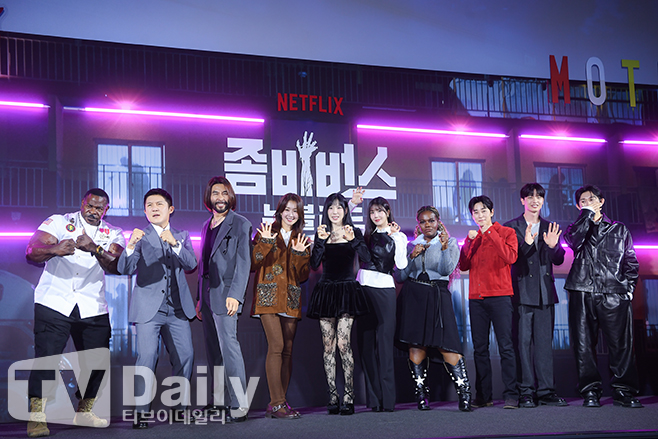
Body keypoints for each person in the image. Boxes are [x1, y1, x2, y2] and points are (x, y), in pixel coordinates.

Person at [25, 188, 125, 437]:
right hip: (54, 301)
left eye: (99, 208)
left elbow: (116, 266)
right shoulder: (59, 222)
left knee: (97, 360)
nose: (93, 211)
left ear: (106, 210)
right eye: (89, 206)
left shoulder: (113, 233)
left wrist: (94, 248)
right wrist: (55, 249)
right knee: (47, 358)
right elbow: (32, 250)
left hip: (92, 304)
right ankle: (37, 417)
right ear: (82, 203)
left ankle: (84, 411)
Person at [117, 188, 198, 428]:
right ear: (144, 211)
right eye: (149, 205)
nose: (154, 208)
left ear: (170, 209)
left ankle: (180, 409)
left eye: (159, 204)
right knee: (147, 357)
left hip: (177, 310)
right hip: (148, 309)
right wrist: (130, 245)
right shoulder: (139, 236)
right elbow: (124, 269)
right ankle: (141, 413)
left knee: (186, 356)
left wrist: (174, 243)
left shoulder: (181, 235)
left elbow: (191, 264)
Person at [564, 185, 642, 408]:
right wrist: (586, 216)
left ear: (601, 201)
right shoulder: (575, 228)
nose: (588, 202)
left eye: (592, 199)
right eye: (583, 201)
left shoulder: (620, 229)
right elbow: (573, 242)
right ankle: (590, 391)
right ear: (578, 206)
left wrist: (628, 289)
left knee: (621, 345)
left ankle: (624, 391)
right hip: (582, 290)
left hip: (614, 293)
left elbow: (631, 262)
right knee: (584, 345)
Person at [396, 206, 473, 412]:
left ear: (438, 221)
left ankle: (464, 393)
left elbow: (446, 269)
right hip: (413, 297)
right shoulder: (412, 245)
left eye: (431, 220)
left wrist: (445, 247)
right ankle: (421, 395)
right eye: (423, 221)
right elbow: (400, 277)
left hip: (438, 296)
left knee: (448, 347)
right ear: (418, 224)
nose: (427, 225)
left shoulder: (450, 242)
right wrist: (411, 257)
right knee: (416, 346)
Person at [504, 183, 567, 408]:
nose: (534, 200)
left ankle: (546, 391)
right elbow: (510, 259)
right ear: (522, 200)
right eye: (529, 197)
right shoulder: (511, 227)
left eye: (539, 196)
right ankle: (526, 391)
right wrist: (527, 244)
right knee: (522, 345)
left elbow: (558, 259)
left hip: (545, 293)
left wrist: (553, 247)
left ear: (543, 200)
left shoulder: (550, 226)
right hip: (521, 292)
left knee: (544, 345)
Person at [307, 192, 370, 416]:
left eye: (339, 207)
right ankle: (332, 395)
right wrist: (320, 242)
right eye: (331, 207)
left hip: (346, 291)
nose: (335, 211)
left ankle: (349, 396)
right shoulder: (321, 232)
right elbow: (314, 264)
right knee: (328, 346)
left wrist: (353, 240)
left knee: (344, 344)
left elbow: (367, 258)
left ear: (345, 210)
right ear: (326, 211)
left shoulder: (354, 231)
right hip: (326, 291)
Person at [195, 176, 252, 422]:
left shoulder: (241, 224)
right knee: (213, 351)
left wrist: (235, 296)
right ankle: (219, 401)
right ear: (209, 197)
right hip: (207, 293)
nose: (220, 198)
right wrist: (199, 298)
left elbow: (244, 263)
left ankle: (239, 404)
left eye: (224, 193)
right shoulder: (205, 226)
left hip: (227, 294)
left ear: (231, 196)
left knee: (229, 347)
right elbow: (203, 264)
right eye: (215, 193)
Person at [251, 193, 311, 419]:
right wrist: (265, 242)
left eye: (295, 211)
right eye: (287, 209)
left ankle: (278, 402)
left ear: (300, 215)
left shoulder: (301, 239)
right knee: (276, 346)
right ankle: (277, 404)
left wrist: (298, 255)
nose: (291, 214)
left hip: (291, 299)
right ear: (280, 211)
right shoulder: (266, 232)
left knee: (287, 350)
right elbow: (254, 262)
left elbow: (303, 276)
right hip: (268, 298)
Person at [459, 195, 518, 409]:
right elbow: (463, 265)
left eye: (483, 210)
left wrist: (490, 232)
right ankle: (484, 396)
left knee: (506, 347)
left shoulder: (507, 232)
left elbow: (510, 257)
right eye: (475, 212)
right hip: (476, 298)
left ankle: (511, 394)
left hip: (500, 296)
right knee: (480, 349)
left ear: (492, 212)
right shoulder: (473, 237)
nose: (480, 215)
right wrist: (469, 242)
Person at [356, 197, 407, 412]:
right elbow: (341, 220)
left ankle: (388, 401)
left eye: (380, 211)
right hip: (362, 288)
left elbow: (402, 265)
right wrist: (352, 204)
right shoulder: (364, 234)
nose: (376, 216)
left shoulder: (398, 235)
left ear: (387, 212)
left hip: (385, 289)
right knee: (366, 346)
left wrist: (395, 238)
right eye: (372, 212)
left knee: (385, 346)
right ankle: (374, 400)